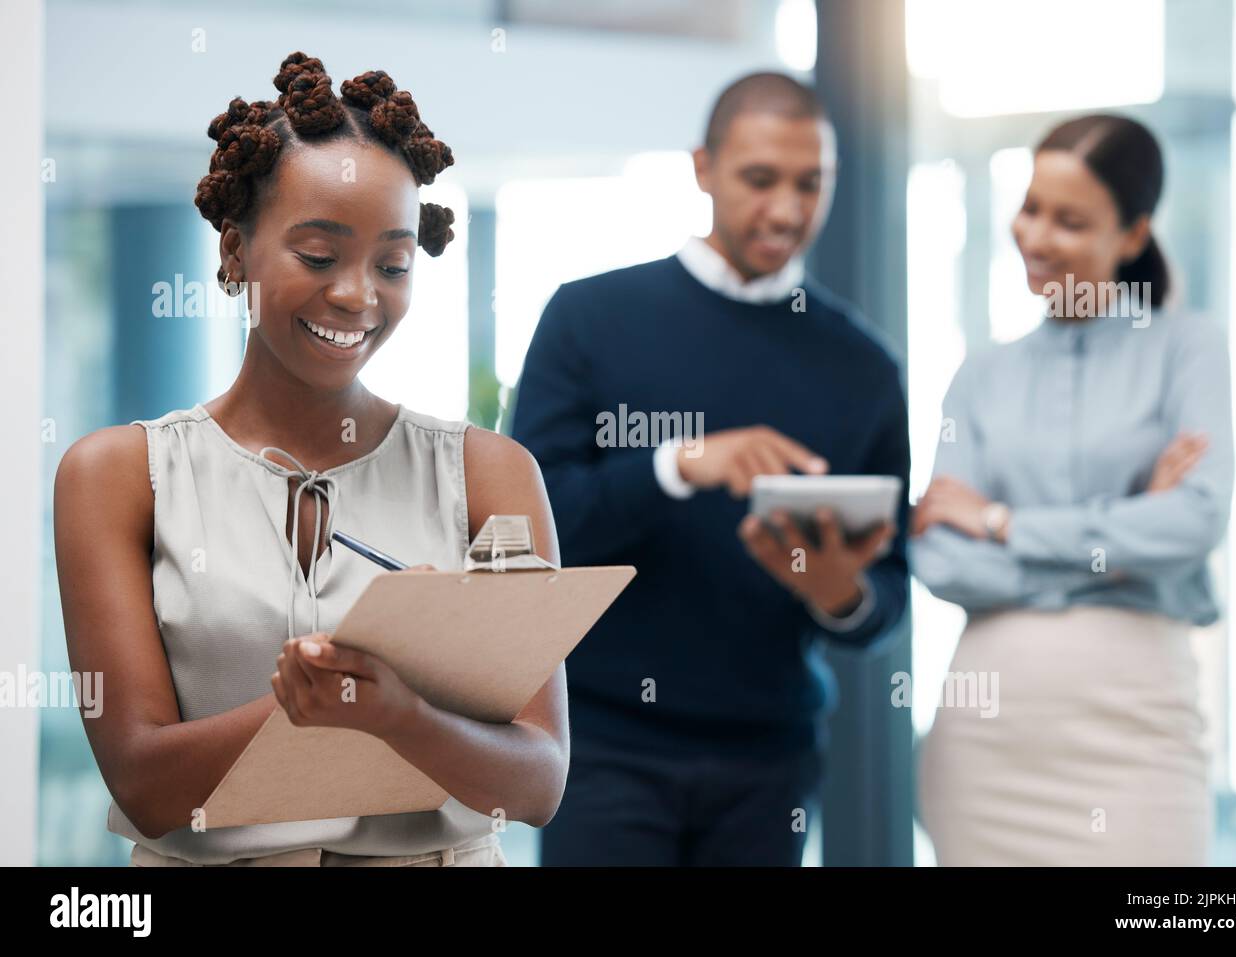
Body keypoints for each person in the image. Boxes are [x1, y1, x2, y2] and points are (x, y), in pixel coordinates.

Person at [53, 52, 566, 867]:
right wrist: (335, 694)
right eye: (320, 257)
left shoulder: (490, 472)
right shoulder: (116, 474)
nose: (358, 295)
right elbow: (143, 782)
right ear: (234, 252)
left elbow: (537, 783)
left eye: (392, 265)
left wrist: (402, 709)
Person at [510, 72, 910, 866]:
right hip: (604, 748)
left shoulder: (865, 366)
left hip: (771, 760)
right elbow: (531, 533)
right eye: (761, 179)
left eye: (811, 183)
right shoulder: (589, 318)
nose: (788, 211)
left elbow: (888, 591)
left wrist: (839, 591)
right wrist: (677, 465)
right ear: (704, 167)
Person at [911, 114, 1233, 866]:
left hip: (1138, 731)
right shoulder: (981, 372)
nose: (1036, 236)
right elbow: (941, 561)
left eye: (1071, 219)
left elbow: (1194, 522)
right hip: (985, 740)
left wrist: (999, 521)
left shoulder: (1188, 347)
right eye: (1030, 209)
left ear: (1132, 233)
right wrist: (1120, 543)